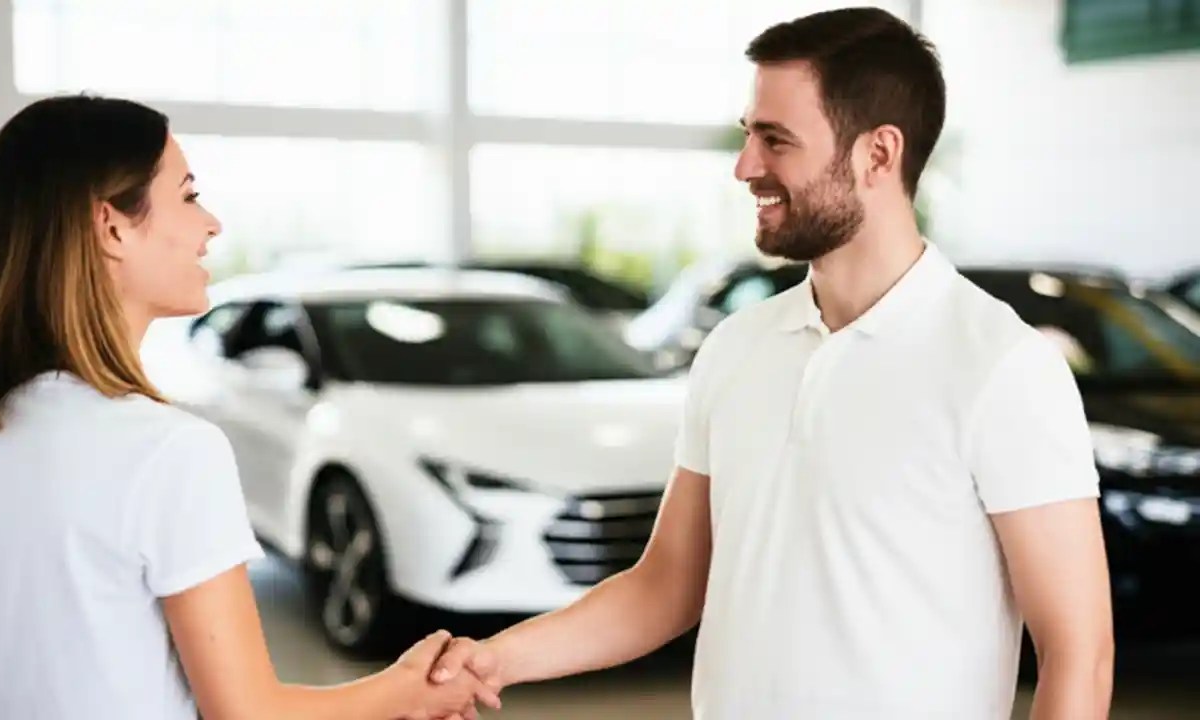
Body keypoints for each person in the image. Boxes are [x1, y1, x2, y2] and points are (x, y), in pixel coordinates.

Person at [428, 8, 1115, 719]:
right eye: (747, 135)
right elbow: (666, 584)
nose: (745, 166)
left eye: (775, 140)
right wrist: (494, 659)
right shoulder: (736, 347)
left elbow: (1078, 656)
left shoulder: (1002, 368)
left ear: (878, 154)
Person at [0, 95, 498, 720]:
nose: (212, 224)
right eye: (187, 194)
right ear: (111, 227)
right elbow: (247, 713)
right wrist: (408, 689)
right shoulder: (168, 448)